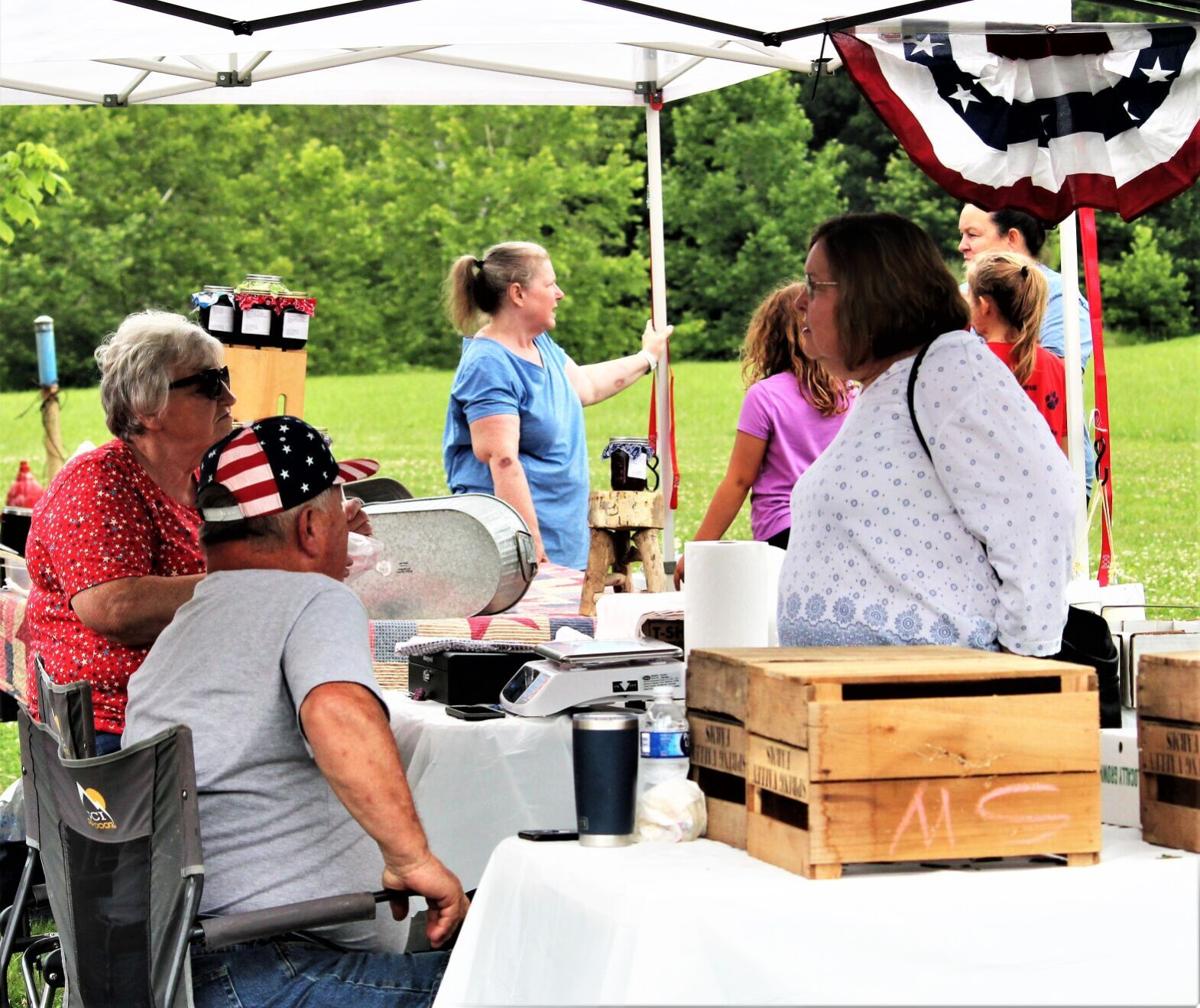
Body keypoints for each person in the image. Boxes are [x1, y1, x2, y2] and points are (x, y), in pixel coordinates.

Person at [123, 415, 468, 1008]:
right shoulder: (312, 596)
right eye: (342, 507)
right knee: (526, 981)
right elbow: (335, 710)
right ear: (311, 527)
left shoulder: (188, 624)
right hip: (267, 964)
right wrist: (413, 859)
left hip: (185, 963)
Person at [777, 212, 1075, 655]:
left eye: (815, 285)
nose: (800, 302)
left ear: (870, 296)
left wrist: (1020, 660)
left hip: (937, 700)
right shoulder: (892, 384)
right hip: (875, 700)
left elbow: (1042, 502)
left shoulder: (949, 370)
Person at [23, 311, 236, 755]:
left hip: (195, 712)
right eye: (209, 384)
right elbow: (116, 608)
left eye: (225, 377)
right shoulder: (98, 482)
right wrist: (249, 582)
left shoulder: (207, 476)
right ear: (148, 408)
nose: (230, 396)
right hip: (115, 735)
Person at [442, 242, 671, 569]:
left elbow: (586, 386)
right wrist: (530, 549)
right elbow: (503, 459)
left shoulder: (538, 345)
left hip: (562, 546)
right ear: (518, 294)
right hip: (513, 555)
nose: (559, 294)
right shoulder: (488, 364)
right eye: (550, 285)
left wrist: (647, 357)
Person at [674, 281, 853, 589]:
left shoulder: (764, 397)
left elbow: (739, 481)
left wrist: (696, 550)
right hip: (838, 528)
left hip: (781, 533)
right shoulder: (851, 391)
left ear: (769, 336)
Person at [957, 202, 1094, 489]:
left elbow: (1059, 385)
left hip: (1045, 473)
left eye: (972, 234)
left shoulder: (1061, 297)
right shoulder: (960, 296)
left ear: (1012, 239)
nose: (962, 246)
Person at [966, 250, 1068, 453]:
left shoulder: (971, 362)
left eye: (969, 296)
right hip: (1047, 482)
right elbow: (1065, 445)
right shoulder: (1056, 366)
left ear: (985, 306)